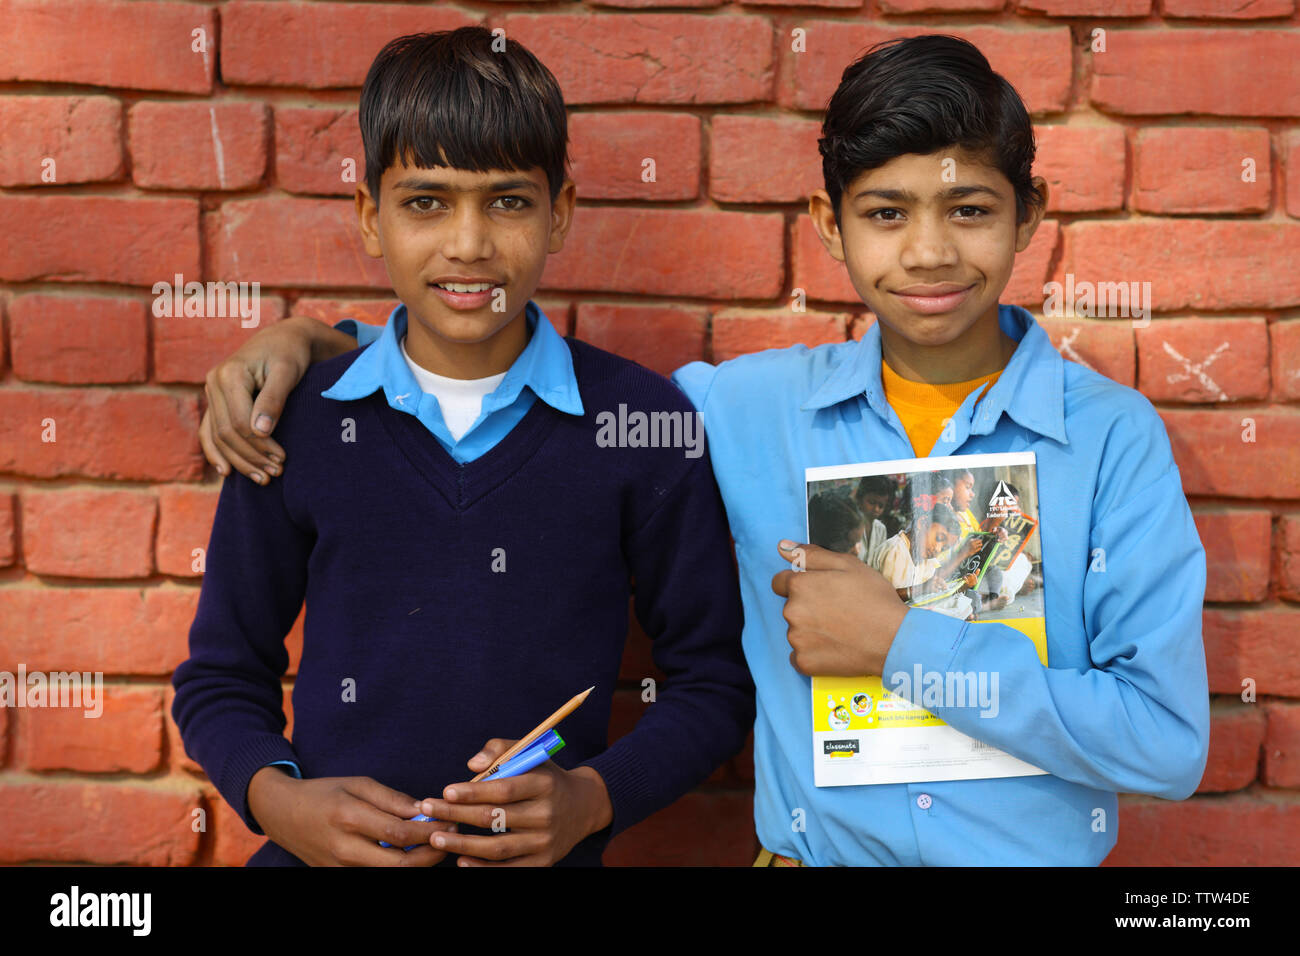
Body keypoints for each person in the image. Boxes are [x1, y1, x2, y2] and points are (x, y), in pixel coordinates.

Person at [197, 35, 1209, 866]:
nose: (931, 252)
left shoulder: (1110, 441)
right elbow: (493, 375)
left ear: (1029, 217)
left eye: (971, 211)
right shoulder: (734, 411)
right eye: (887, 214)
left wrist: (903, 643)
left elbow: (1165, 743)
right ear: (829, 225)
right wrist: (323, 344)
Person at [171, 27, 753, 868]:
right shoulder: (295, 422)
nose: (470, 243)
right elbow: (221, 676)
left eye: (509, 202)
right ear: (371, 218)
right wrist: (280, 802)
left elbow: (712, 686)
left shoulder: (641, 425)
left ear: (561, 213)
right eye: (426, 202)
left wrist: (591, 799)